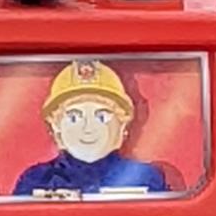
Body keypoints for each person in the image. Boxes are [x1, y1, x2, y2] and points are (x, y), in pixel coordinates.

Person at [12, 59, 168, 198]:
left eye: (102, 117)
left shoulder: (145, 177)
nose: (88, 128)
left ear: (122, 124)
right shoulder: (37, 179)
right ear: (56, 125)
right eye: (74, 117)